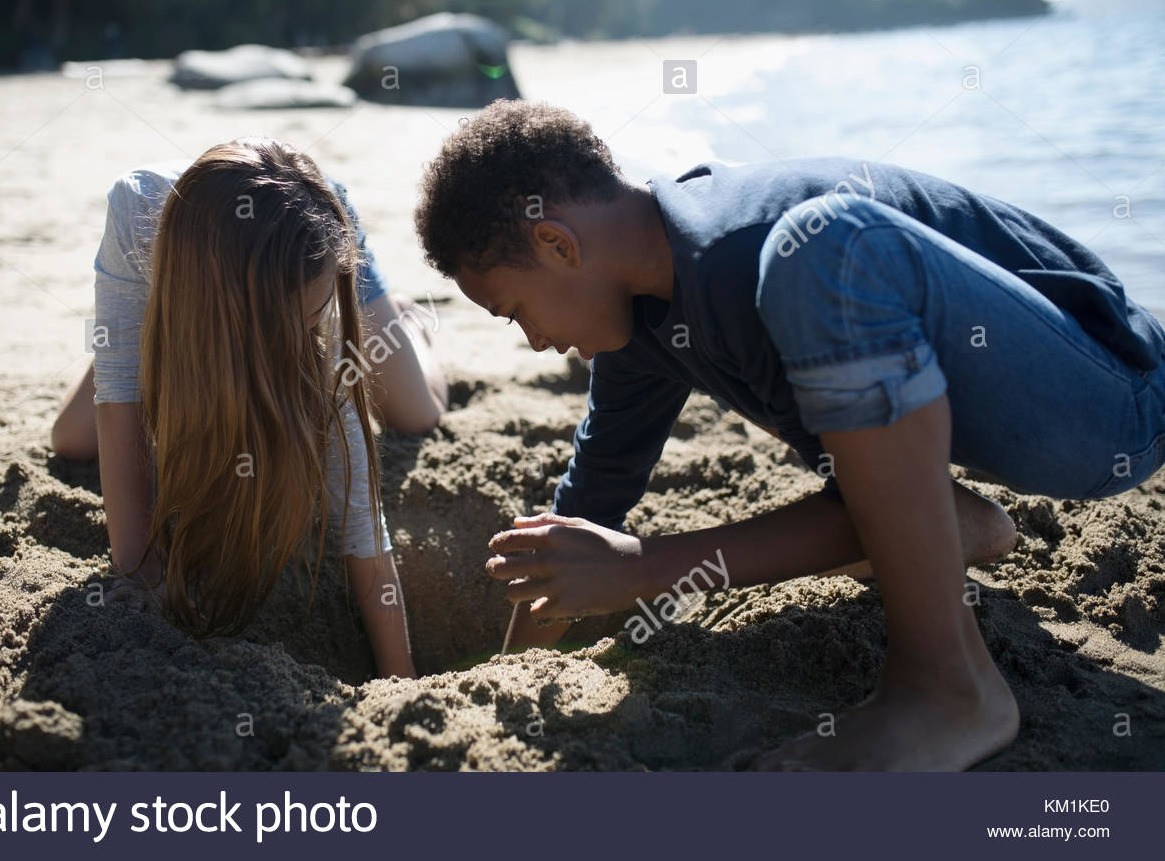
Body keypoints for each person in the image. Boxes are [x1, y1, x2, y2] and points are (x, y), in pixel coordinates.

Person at [412, 100, 1165, 769]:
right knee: (812, 282)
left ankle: (950, 687)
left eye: (514, 313)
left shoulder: (737, 246)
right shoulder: (641, 309)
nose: (534, 342)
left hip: (1114, 398)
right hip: (1026, 416)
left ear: (557, 245)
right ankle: (953, 524)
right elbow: (585, 511)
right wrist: (501, 677)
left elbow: (628, 558)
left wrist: (644, 571)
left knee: (819, 249)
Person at [51, 139, 441, 678]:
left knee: (417, 414)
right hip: (181, 296)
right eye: (291, 328)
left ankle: (405, 323)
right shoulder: (135, 208)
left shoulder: (318, 302)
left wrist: (400, 679)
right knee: (70, 440)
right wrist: (142, 575)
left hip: (323, 245)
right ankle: (148, 335)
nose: (302, 340)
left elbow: (363, 531)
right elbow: (119, 395)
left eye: (307, 324)